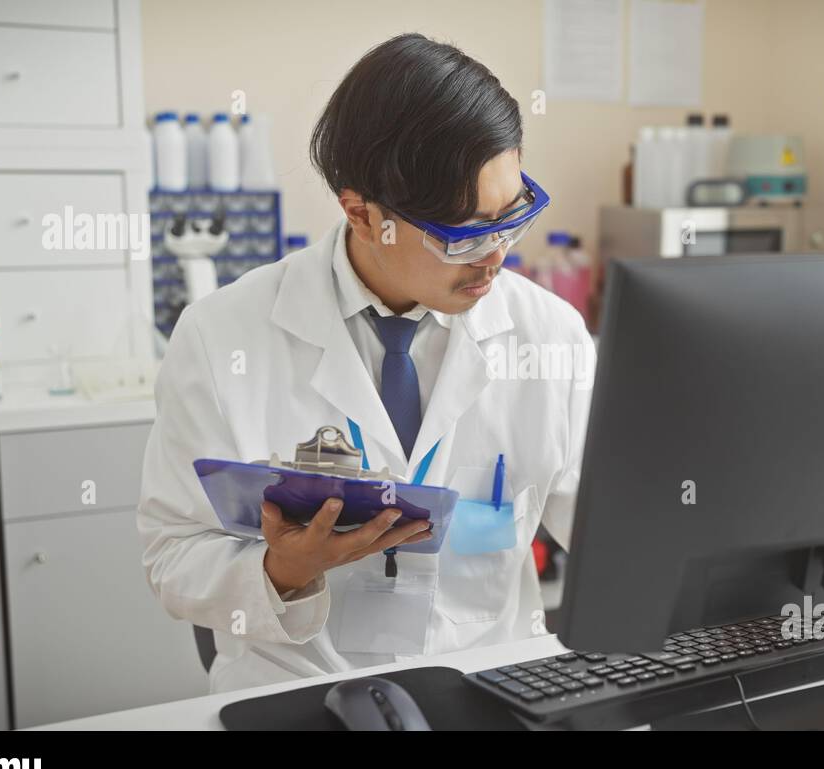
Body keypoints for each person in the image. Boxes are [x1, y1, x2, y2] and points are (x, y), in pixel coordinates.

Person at [138, 33, 594, 692]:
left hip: (489, 685)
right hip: (297, 688)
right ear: (361, 213)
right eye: (464, 235)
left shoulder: (548, 333)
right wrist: (285, 570)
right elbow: (173, 554)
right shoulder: (221, 336)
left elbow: (610, 529)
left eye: (510, 217)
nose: (495, 256)